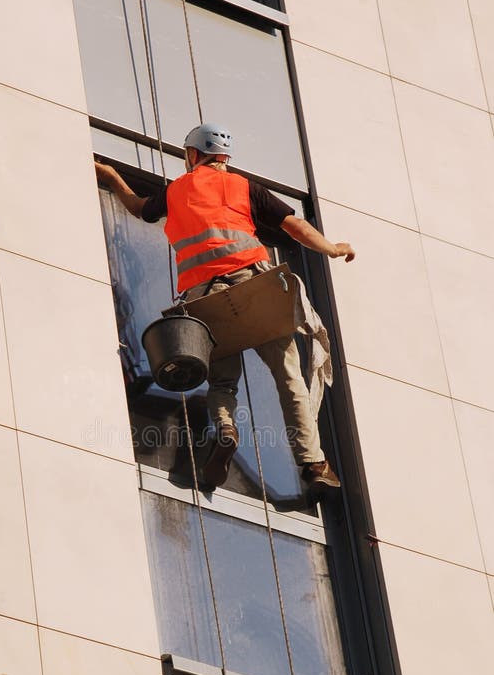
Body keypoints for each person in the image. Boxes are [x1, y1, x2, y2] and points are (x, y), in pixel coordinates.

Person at [95, 123, 355, 495]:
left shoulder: (175, 191)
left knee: (221, 381)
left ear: (193, 155)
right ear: (223, 158)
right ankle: (312, 462)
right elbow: (295, 226)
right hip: (253, 286)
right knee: (289, 377)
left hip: (205, 297)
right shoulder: (244, 187)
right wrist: (331, 248)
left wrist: (110, 174)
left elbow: (137, 208)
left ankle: (225, 430)